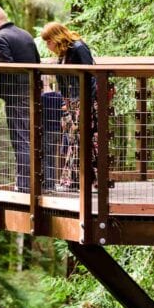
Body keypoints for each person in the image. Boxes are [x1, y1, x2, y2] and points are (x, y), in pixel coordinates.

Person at [40, 22, 103, 190]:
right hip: (72, 102)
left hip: (85, 101)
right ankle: (78, 181)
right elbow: (63, 80)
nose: (48, 45)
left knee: (84, 140)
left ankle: (89, 181)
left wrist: (85, 104)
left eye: (48, 41)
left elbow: (90, 75)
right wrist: (65, 101)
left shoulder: (78, 48)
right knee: (75, 140)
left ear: (56, 38)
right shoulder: (63, 53)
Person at [0, 6, 39, 192]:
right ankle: (38, 182)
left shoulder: (0, 38)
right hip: (32, 91)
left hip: (16, 95)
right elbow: (37, 62)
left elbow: (6, 67)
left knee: (21, 139)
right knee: (32, 137)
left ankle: (24, 185)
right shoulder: (25, 34)